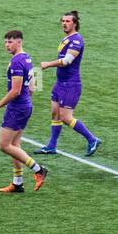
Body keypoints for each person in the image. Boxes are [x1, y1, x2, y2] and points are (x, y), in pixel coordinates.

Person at [0, 29, 48, 194]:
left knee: (3, 145)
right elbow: (33, 85)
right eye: (5, 42)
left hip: (17, 107)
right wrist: (27, 100)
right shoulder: (26, 57)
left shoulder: (16, 62)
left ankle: (38, 170)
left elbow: (15, 90)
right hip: (25, 105)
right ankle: (18, 183)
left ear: (19, 41)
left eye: (10, 42)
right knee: (15, 145)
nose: (7, 45)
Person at [36, 10, 100, 158]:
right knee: (55, 113)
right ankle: (51, 146)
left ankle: (92, 139)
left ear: (75, 23)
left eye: (68, 21)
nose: (64, 23)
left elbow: (67, 61)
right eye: (63, 21)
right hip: (60, 83)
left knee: (66, 117)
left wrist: (48, 64)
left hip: (71, 84)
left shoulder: (76, 40)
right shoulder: (66, 39)